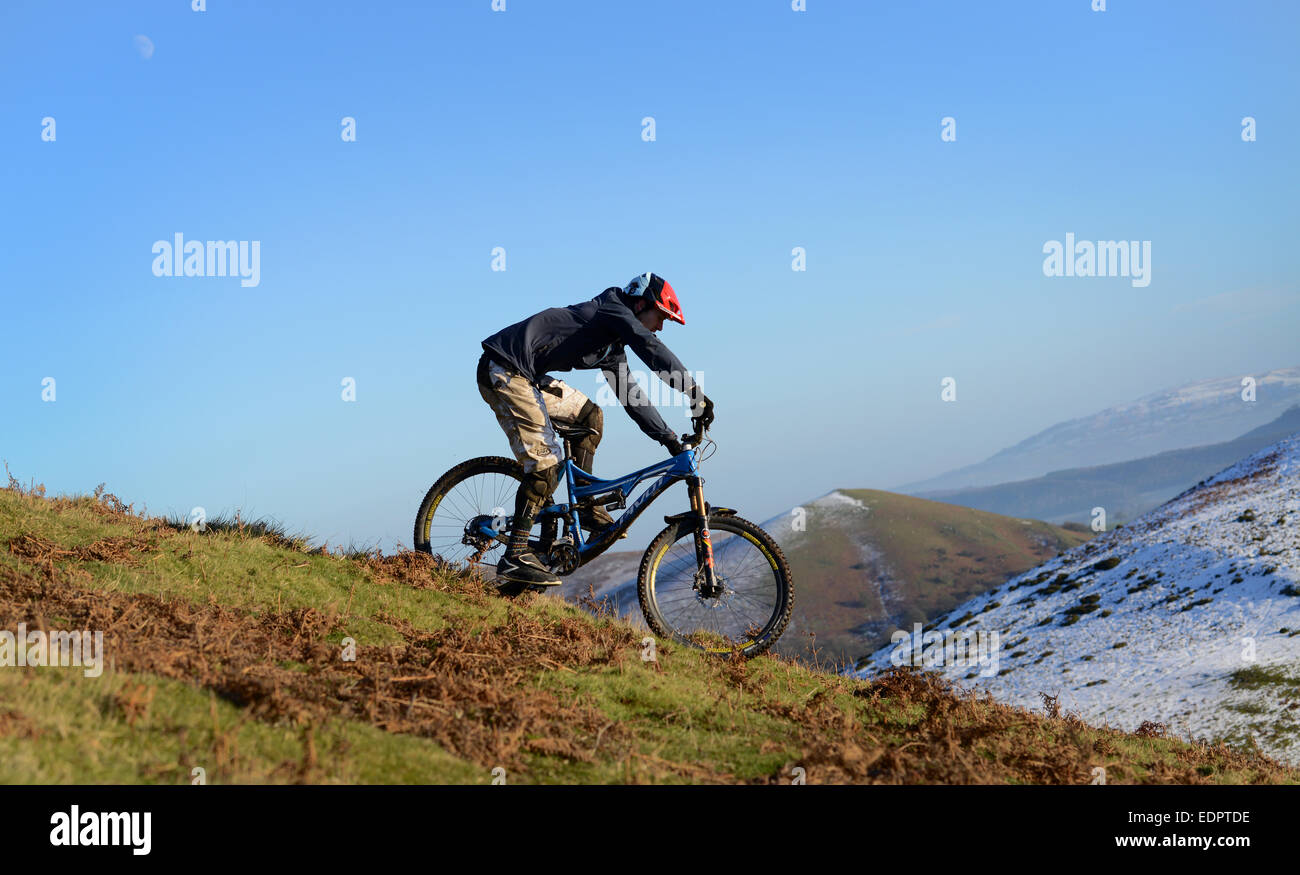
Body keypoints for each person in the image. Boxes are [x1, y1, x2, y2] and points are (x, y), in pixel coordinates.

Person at [476, 272, 714, 587]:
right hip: (504, 370)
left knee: (588, 417)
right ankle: (515, 555)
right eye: (660, 317)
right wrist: (694, 393)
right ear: (641, 304)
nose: (659, 326)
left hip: (527, 375)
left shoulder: (612, 346)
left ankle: (586, 508)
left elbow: (632, 399)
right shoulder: (611, 309)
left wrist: (670, 440)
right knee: (546, 466)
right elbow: (650, 348)